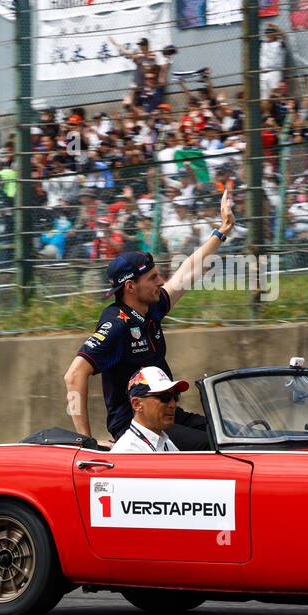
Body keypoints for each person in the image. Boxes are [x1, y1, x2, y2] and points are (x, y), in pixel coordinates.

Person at [63, 188, 236, 451]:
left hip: (166, 414)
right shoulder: (116, 325)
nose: (161, 282)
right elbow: (73, 376)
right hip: (137, 426)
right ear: (131, 287)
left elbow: (187, 271)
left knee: (235, 434)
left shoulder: (151, 307)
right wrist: (84, 440)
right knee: (216, 447)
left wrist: (222, 231)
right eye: (153, 278)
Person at [109, 367, 189, 453]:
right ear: (137, 404)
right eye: (165, 397)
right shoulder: (128, 451)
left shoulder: (165, 441)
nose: (173, 405)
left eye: (175, 397)